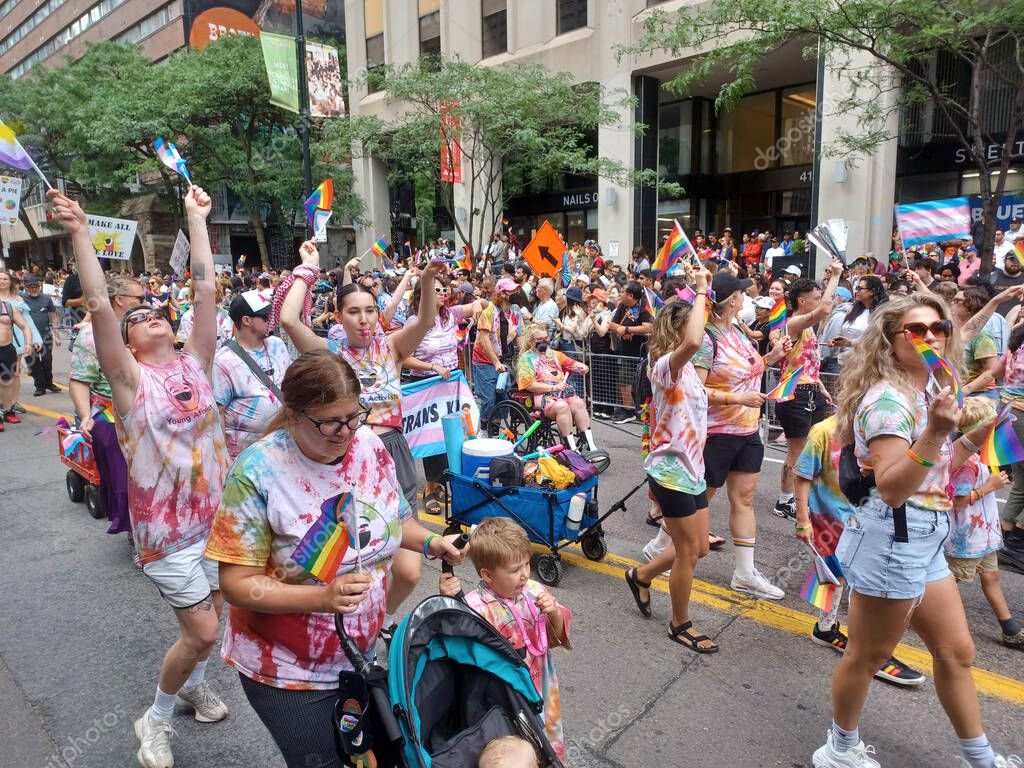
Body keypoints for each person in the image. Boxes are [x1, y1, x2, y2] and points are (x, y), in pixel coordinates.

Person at [208, 350, 466, 768]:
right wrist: (322, 598)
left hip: (358, 656)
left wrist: (433, 543)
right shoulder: (256, 472)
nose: (345, 432)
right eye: (330, 422)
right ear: (293, 413)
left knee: (374, 759)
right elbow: (238, 585)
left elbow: (398, 522)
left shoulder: (368, 446)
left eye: (354, 416)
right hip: (289, 673)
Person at [51, 186, 231, 768]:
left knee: (216, 615)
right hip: (167, 533)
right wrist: (81, 231)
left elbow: (204, 287)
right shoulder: (129, 385)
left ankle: (194, 687)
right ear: (126, 345)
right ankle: (154, 720)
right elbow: (101, 303)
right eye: (140, 317)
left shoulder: (197, 364)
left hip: (219, 521)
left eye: (159, 312)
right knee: (202, 632)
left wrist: (195, 219)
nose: (151, 314)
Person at [815, 293, 1014, 768]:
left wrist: (974, 434)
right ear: (890, 340)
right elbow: (892, 488)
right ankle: (838, 750)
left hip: (926, 537)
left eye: (938, 329)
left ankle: (980, 758)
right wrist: (937, 434)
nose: (930, 337)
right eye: (916, 330)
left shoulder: (927, 391)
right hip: (891, 538)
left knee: (956, 651)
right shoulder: (889, 401)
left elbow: (935, 471)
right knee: (868, 655)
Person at [279, 241, 445, 617]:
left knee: (409, 568)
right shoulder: (329, 353)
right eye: (354, 312)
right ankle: (341, 625)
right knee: (338, 558)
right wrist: (307, 269)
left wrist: (429, 278)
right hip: (343, 456)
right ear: (339, 316)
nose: (364, 319)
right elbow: (289, 320)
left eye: (370, 310)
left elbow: (424, 321)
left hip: (392, 451)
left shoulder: (392, 347)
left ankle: (376, 620)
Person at [622, 272, 718, 654]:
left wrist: (738, 400)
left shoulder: (689, 370)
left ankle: (641, 575)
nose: (702, 333)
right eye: (694, 323)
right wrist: (700, 291)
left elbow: (700, 395)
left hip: (693, 469)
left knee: (700, 548)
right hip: (670, 471)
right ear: (677, 329)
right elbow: (695, 340)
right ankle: (680, 624)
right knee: (690, 553)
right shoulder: (664, 364)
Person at [793, 416, 925, 686]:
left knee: (858, 579)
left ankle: (835, 631)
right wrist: (803, 519)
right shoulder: (823, 431)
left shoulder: (879, 427)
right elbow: (803, 475)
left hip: (866, 517)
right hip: (829, 519)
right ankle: (835, 632)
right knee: (837, 578)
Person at [440, 517, 571, 763]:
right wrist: (448, 602)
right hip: (504, 695)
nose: (524, 575)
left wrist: (553, 612)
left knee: (547, 741)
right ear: (487, 574)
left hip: (541, 684)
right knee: (515, 749)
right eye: (514, 570)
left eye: (526, 565)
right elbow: (456, 645)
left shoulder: (534, 590)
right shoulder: (474, 607)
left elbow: (555, 638)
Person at [67, 273, 144, 538]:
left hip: (150, 406)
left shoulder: (145, 325)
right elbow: (79, 380)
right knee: (126, 474)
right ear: (120, 300)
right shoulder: (91, 335)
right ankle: (136, 533)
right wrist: (86, 416)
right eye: (140, 298)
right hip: (111, 412)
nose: (148, 303)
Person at [946, 398, 1024, 650]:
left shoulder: (981, 457)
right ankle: (923, 615)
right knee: (949, 583)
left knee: (991, 576)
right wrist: (989, 487)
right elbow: (957, 501)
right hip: (967, 538)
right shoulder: (965, 463)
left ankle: (1009, 629)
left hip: (985, 535)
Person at [401, 277, 482, 514]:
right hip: (425, 383)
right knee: (431, 436)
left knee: (452, 435)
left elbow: (486, 304)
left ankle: (444, 482)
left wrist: (478, 304)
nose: (442, 293)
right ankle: (430, 488)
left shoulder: (451, 315)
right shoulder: (414, 322)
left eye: (444, 288)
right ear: (422, 293)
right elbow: (403, 356)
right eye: (436, 289)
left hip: (450, 384)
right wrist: (433, 368)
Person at [774, 261, 843, 520]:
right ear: (801, 302)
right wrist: (835, 275)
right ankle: (785, 500)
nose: (821, 301)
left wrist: (822, 387)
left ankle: (800, 497)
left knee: (811, 449)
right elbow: (825, 308)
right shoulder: (794, 324)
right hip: (794, 395)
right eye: (815, 297)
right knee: (797, 451)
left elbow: (808, 364)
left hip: (810, 391)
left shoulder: (809, 329)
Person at [212, 290, 293, 460]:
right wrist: (222, 458)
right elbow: (218, 412)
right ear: (246, 320)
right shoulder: (223, 361)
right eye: (264, 316)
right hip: (245, 458)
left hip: (284, 447)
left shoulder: (277, 345)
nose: (270, 320)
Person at [516, 323, 594, 452]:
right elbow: (529, 385)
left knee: (579, 403)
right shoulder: (526, 359)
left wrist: (582, 367)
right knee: (562, 406)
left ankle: (590, 445)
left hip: (563, 394)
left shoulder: (554, 354)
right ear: (531, 341)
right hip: (543, 397)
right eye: (539, 339)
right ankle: (571, 449)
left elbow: (572, 363)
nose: (544, 341)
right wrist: (554, 388)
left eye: (546, 338)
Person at [472, 277, 521, 427]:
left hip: (502, 360)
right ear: (502, 293)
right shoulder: (489, 311)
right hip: (484, 362)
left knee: (503, 398)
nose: (516, 293)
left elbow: (517, 336)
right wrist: (496, 362)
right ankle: (484, 427)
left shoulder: (513, 312)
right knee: (489, 399)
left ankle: (495, 432)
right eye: (512, 291)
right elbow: (484, 340)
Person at [608, 281, 654, 423]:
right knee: (624, 381)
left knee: (643, 382)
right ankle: (628, 410)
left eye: (623, 292)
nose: (621, 294)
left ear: (631, 295)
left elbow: (648, 327)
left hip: (641, 352)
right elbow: (613, 324)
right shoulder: (622, 306)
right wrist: (621, 330)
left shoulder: (644, 307)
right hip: (625, 351)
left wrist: (628, 330)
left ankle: (640, 410)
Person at [0, 271, 38, 431]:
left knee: (7, 381)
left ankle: (8, 410)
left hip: (7, 348)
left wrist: (29, 341)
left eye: (4, 279)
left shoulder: (9, 307)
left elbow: (25, 326)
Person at [20, 274, 61, 395]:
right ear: (25, 287)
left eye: (36, 286)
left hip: (45, 335)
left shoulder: (46, 299)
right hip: (28, 337)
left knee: (47, 360)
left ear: (40, 286)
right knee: (33, 362)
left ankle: (49, 383)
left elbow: (54, 317)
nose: (33, 289)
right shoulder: (20, 299)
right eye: (30, 287)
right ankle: (39, 386)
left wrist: (57, 336)